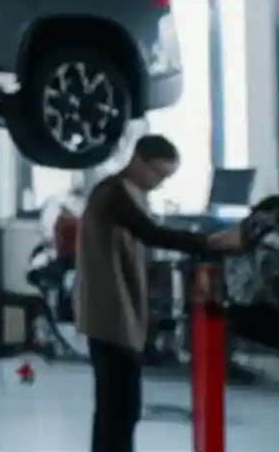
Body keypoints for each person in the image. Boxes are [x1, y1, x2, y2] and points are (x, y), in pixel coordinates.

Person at [73, 134, 245, 452]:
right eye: (159, 174)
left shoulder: (132, 192)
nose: (160, 184)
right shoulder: (113, 192)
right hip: (108, 316)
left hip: (121, 315)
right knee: (118, 409)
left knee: (122, 409)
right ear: (139, 161)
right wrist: (209, 243)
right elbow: (149, 233)